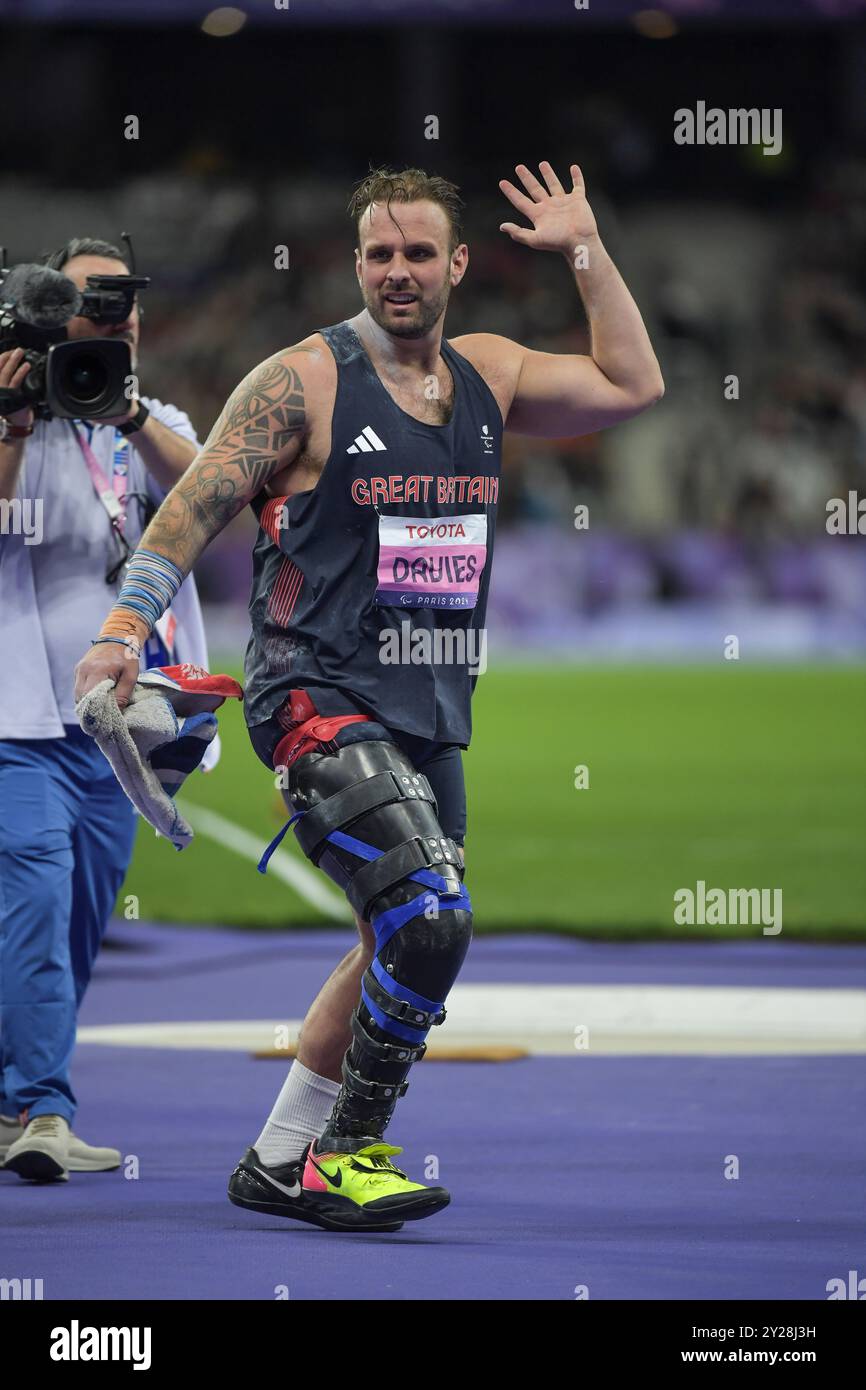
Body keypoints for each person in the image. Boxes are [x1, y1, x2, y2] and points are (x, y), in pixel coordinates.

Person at [73, 163, 663, 1229]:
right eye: (380, 254)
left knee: (400, 934)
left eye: (419, 253)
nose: (399, 272)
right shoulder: (300, 381)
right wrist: (123, 628)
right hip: (313, 690)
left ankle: (274, 1156)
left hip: (430, 710)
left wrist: (584, 245)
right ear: (355, 265)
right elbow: (194, 505)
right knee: (428, 918)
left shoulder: (490, 373)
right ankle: (346, 1153)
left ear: (457, 265)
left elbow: (631, 385)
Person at [0, 237, 215, 1183]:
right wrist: (9, 424)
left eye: (126, 297)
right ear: (48, 312)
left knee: (81, 915)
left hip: (110, 727)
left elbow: (215, 496)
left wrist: (126, 414)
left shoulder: (144, 419)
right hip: (13, 716)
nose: (112, 314)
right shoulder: (11, 417)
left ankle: (16, 1090)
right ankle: (42, 1109)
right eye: (90, 300)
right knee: (37, 901)